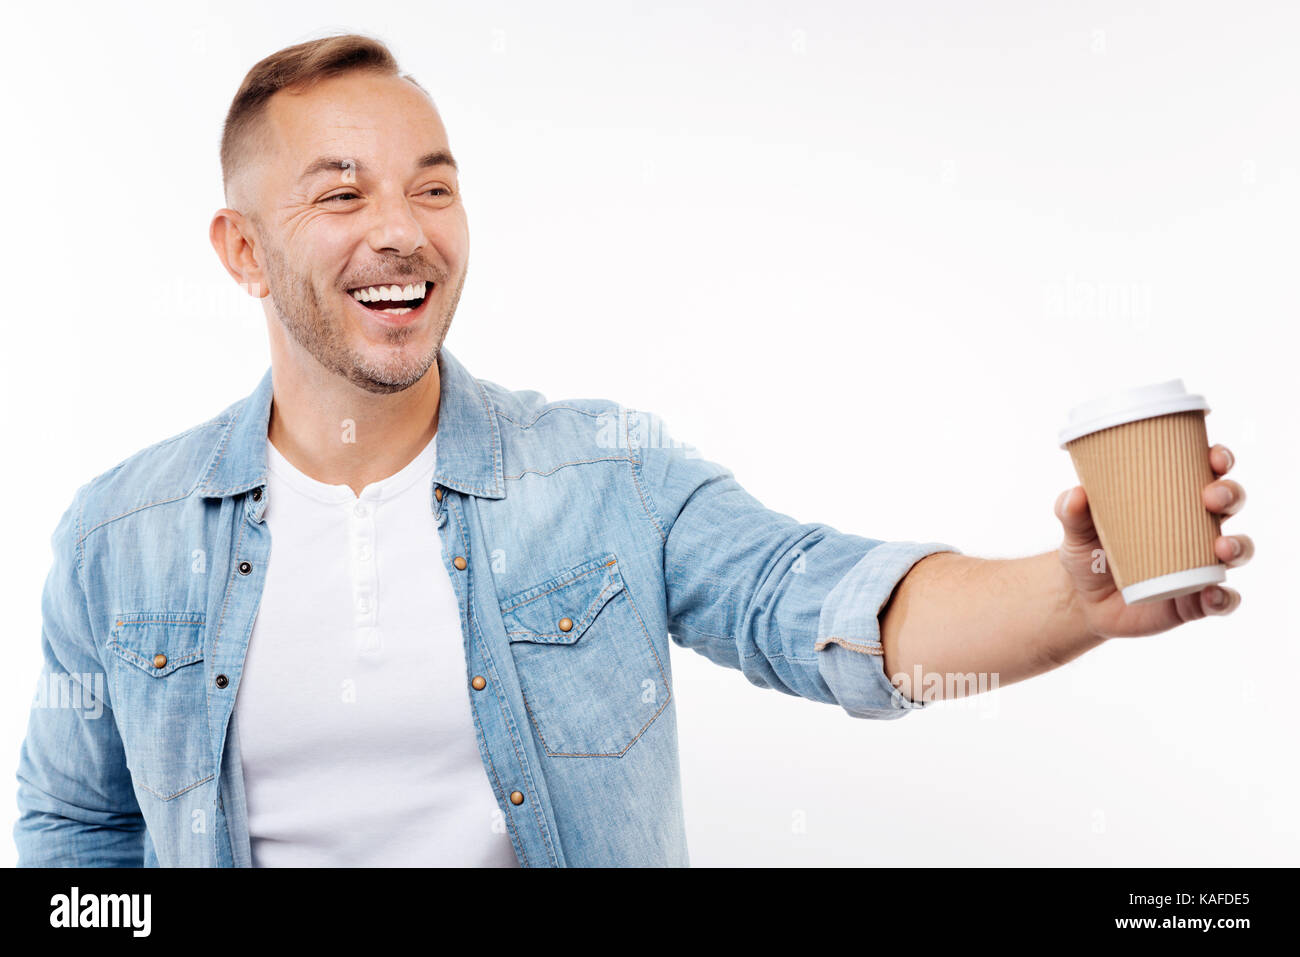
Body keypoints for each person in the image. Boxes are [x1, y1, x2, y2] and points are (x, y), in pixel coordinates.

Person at [14, 33, 1253, 868]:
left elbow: (815, 607)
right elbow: (77, 836)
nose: (401, 232)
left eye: (432, 189)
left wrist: (1073, 596)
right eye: (340, 196)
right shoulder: (122, 536)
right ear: (240, 250)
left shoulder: (603, 475)